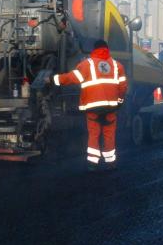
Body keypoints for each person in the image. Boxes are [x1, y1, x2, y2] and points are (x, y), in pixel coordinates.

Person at [50, 39, 127, 171]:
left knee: (94, 134)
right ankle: (110, 163)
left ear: (94, 50)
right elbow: (123, 87)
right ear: (107, 49)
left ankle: (93, 164)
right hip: (111, 107)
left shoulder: (87, 64)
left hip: (93, 107)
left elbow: (72, 78)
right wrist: (119, 101)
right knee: (109, 134)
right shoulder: (117, 65)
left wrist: (54, 79)